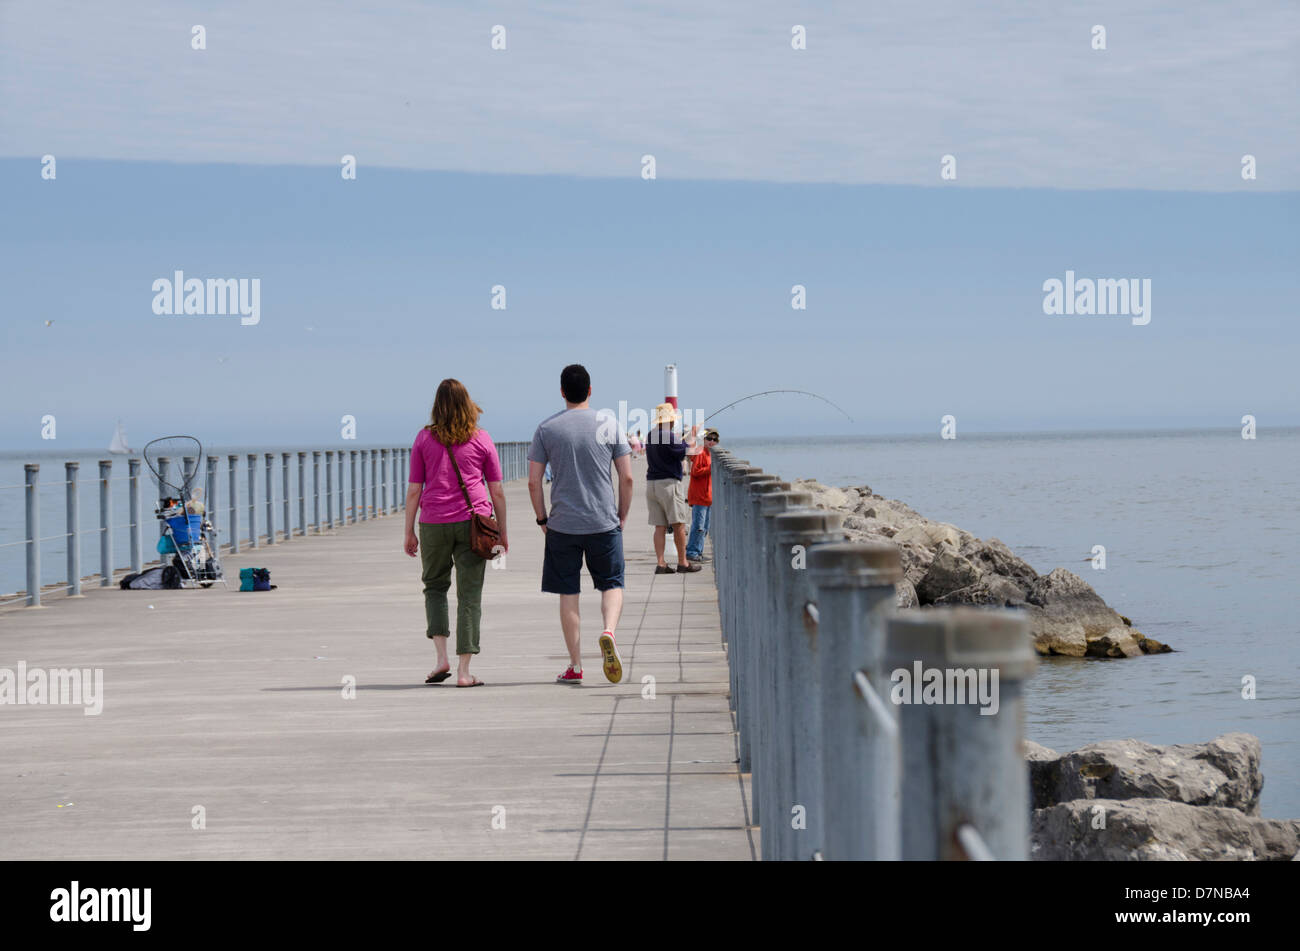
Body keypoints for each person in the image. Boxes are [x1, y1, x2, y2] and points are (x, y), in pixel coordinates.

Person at [528, 364, 634, 685]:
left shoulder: (547, 429)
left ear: (562, 392)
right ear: (590, 391)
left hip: (563, 525)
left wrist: (542, 518)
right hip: (604, 521)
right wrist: (622, 515)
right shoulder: (610, 424)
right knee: (612, 583)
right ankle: (608, 632)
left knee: (568, 593)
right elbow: (627, 477)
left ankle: (575, 665)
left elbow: (534, 482)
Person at [404, 379, 507, 688]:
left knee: (434, 587)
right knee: (469, 595)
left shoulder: (423, 439)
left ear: (438, 406)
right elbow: (497, 491)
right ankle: (464, 671)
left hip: (433, 523)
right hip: (473, 524)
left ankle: (441, 659)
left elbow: (413, 491)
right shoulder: (482, 439)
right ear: (468, 404)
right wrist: (502, 532)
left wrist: (408, 531)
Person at [644, 402, 700, 574]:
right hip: (668, 484)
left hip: (652, 484)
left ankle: (661, 563)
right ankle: (683, 562)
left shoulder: (651, 434)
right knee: (678, 525)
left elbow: (673, 449)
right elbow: (684, 452)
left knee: (659, 526)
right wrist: (691, 437)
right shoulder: (667, 436)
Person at [685, 428, 718, 563]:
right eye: (709, 438)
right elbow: (695, 471)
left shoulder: (711, 454)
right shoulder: (700, 452)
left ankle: (699, 551)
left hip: (707, 496)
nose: (712, 441)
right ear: (704, 439)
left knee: (705, 527)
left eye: (715, 440)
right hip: (699, 496)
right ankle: (692, 552)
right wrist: (710, 469)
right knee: (698, 526)